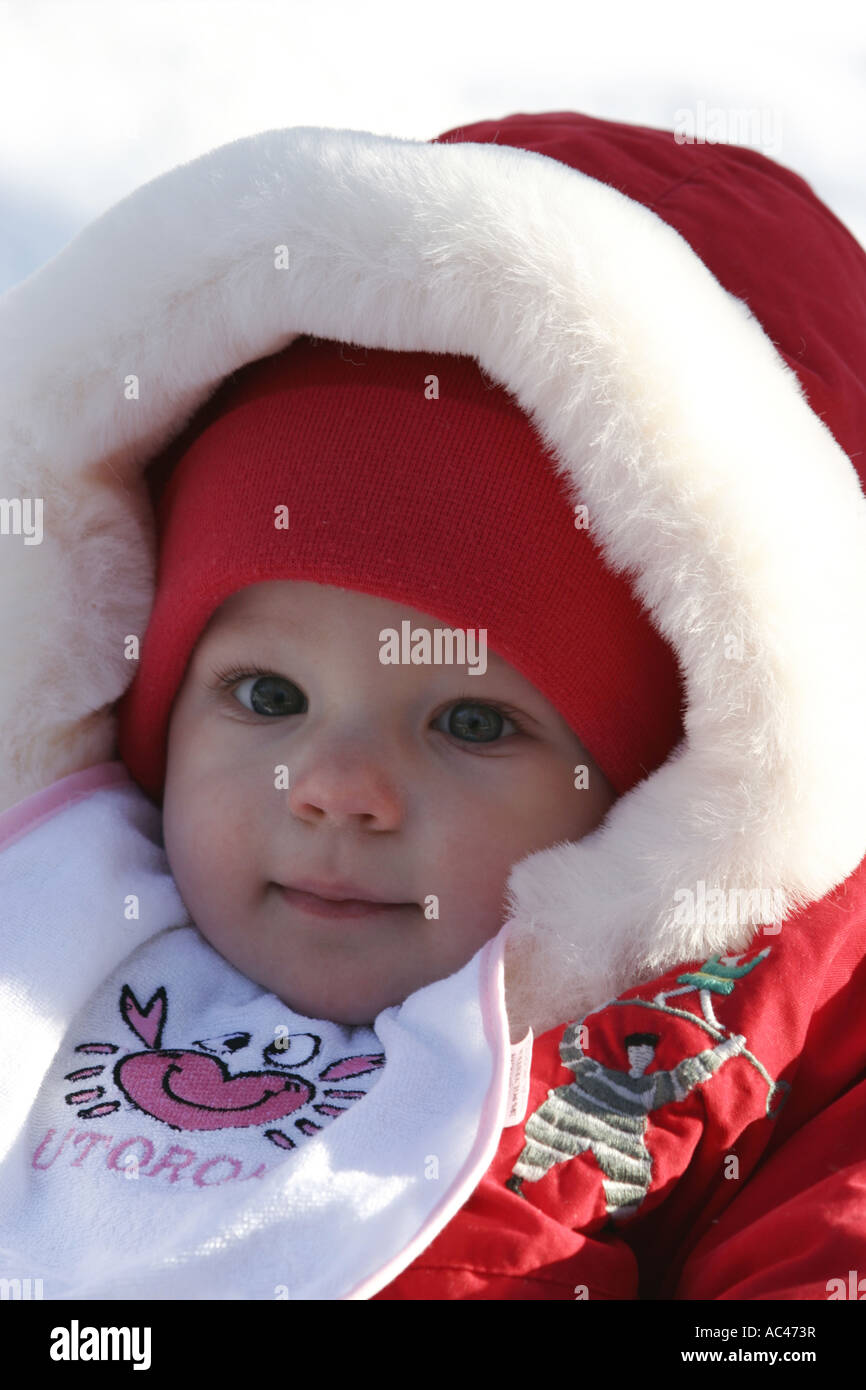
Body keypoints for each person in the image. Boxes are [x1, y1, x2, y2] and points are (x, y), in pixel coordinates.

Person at [0, 110, 865, 1301]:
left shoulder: (765, 1025)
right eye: (267, 694)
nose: (335, 787)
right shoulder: (46, 903)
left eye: (469, 720)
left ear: (654, 801)